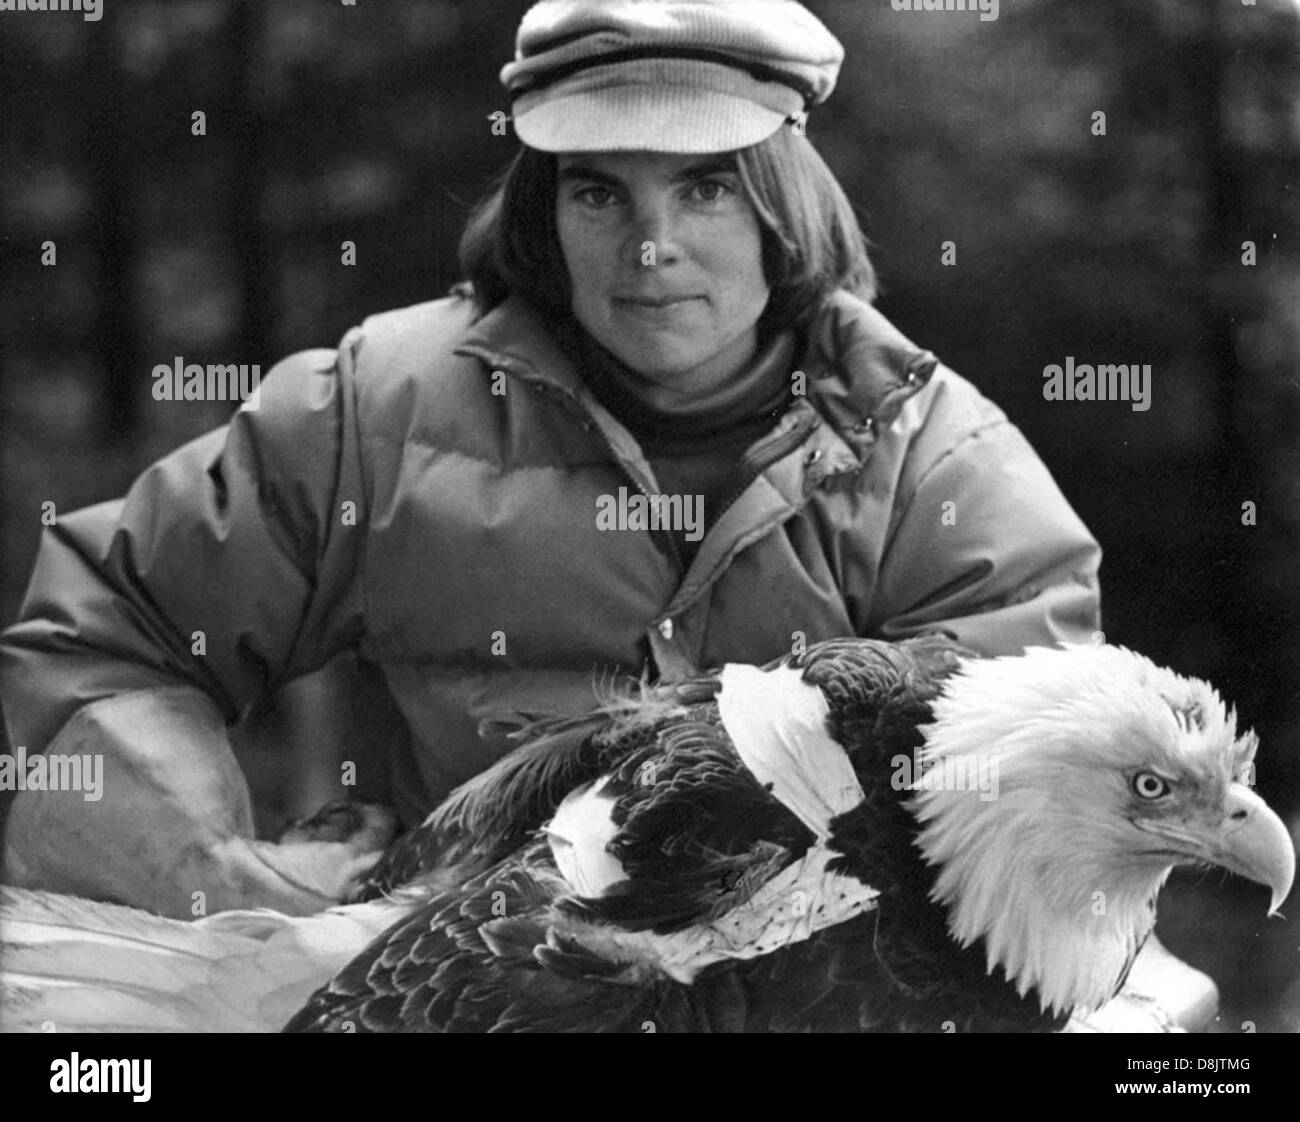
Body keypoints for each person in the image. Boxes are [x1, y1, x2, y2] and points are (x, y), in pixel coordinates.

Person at [0, 0, 1100, 921]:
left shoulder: (938, 465)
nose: (649, 244)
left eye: (705, 186)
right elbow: (102, 637)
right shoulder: (373, 410)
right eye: (598, 191)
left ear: (783, 208)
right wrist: (222, 893)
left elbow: (1037, 819)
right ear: (545, 211)